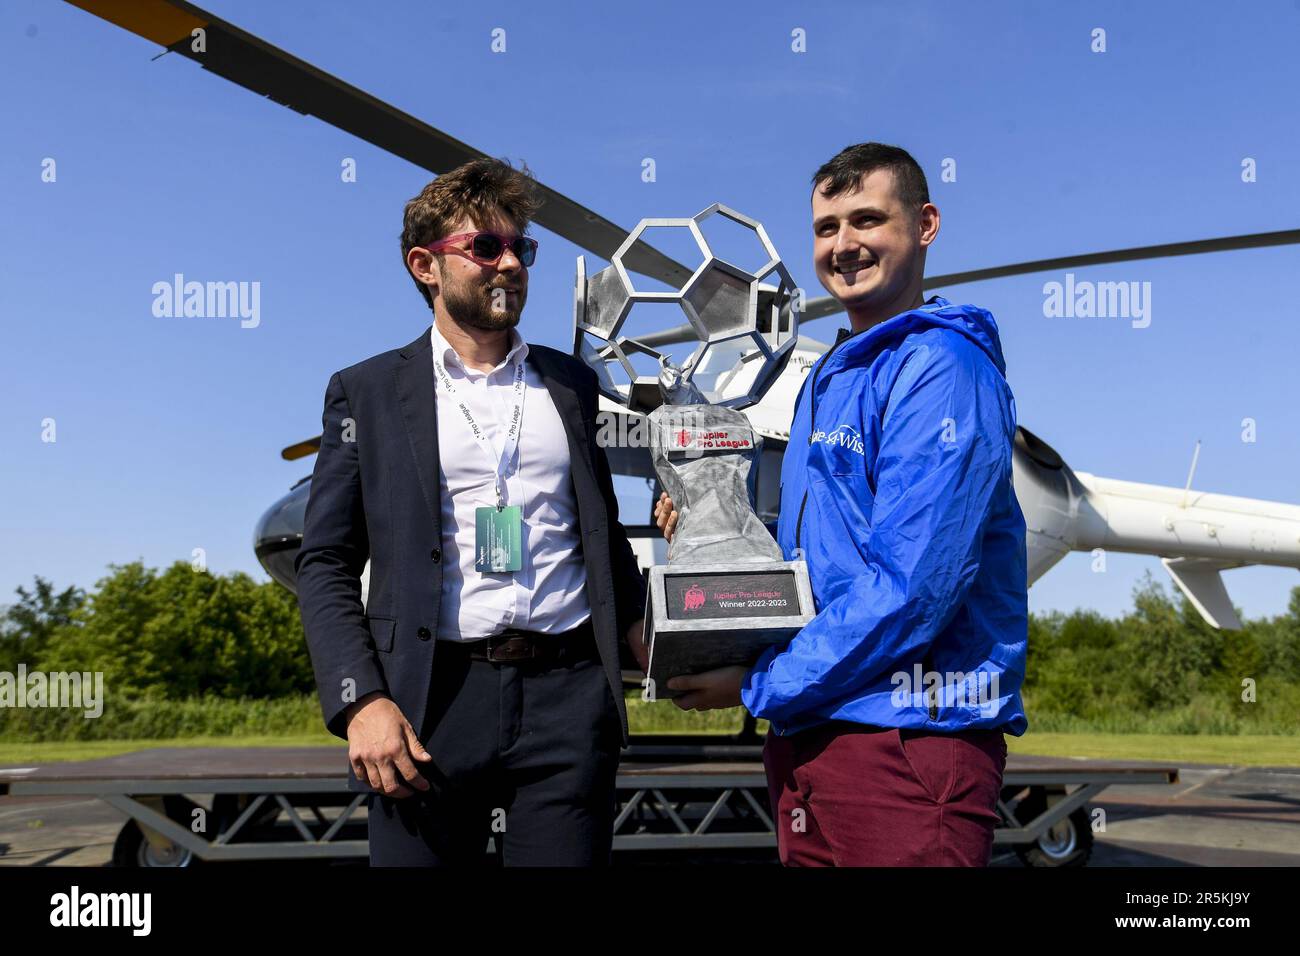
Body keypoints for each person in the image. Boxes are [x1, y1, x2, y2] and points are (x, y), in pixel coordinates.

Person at [653, 143, 1028, 866]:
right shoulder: (831, 373)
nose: (843, 244)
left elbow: (913, 589)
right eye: (827, 227)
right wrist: (716, 526)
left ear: (925, 224)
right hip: (813, 735)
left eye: (867, 220)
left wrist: (761, 682)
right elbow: (826, 557)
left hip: (906, 744)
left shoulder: (941, 370)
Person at [295, 157, 647, 866]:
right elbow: (326, 561)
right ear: (426, 265)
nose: (511, 263)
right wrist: (360, 701)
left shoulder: (572, 385)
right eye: (486, 247)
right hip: (427, 703)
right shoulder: (363, 392)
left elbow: (604, 541)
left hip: (566, 698)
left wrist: (663, 646)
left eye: (522, 248)